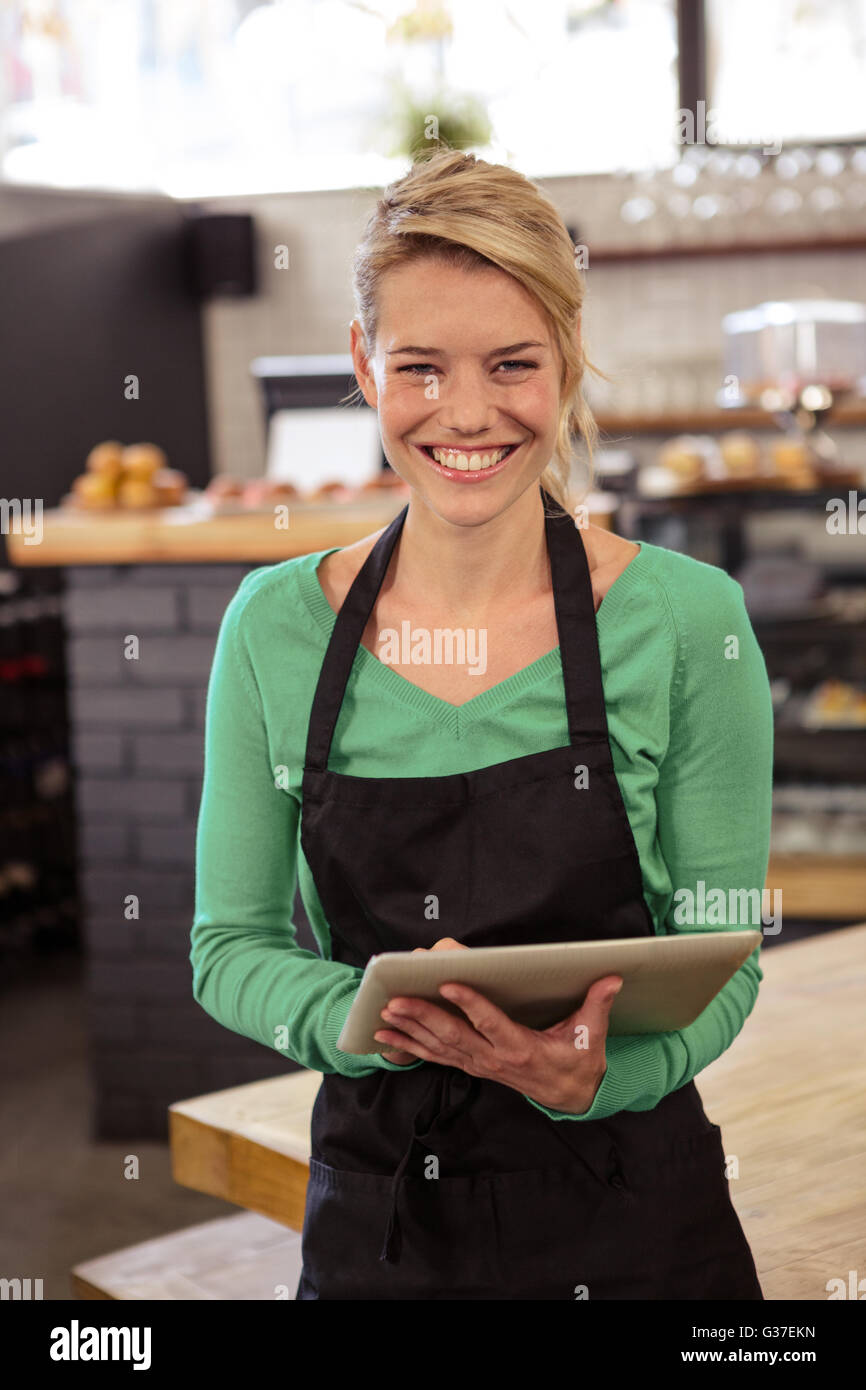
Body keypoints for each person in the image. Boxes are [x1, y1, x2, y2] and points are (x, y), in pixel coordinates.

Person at [190, 147, 773, 1300]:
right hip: (384, 1218)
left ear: (564, 364)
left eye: (511, 363)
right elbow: (228, 947)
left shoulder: (689, 620)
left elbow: (725, 949)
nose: (466, 413)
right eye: (419, 366)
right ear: (364, 364)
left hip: (637, 1216)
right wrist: (377, 1018)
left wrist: (591, 1078)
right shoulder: (273, 626)